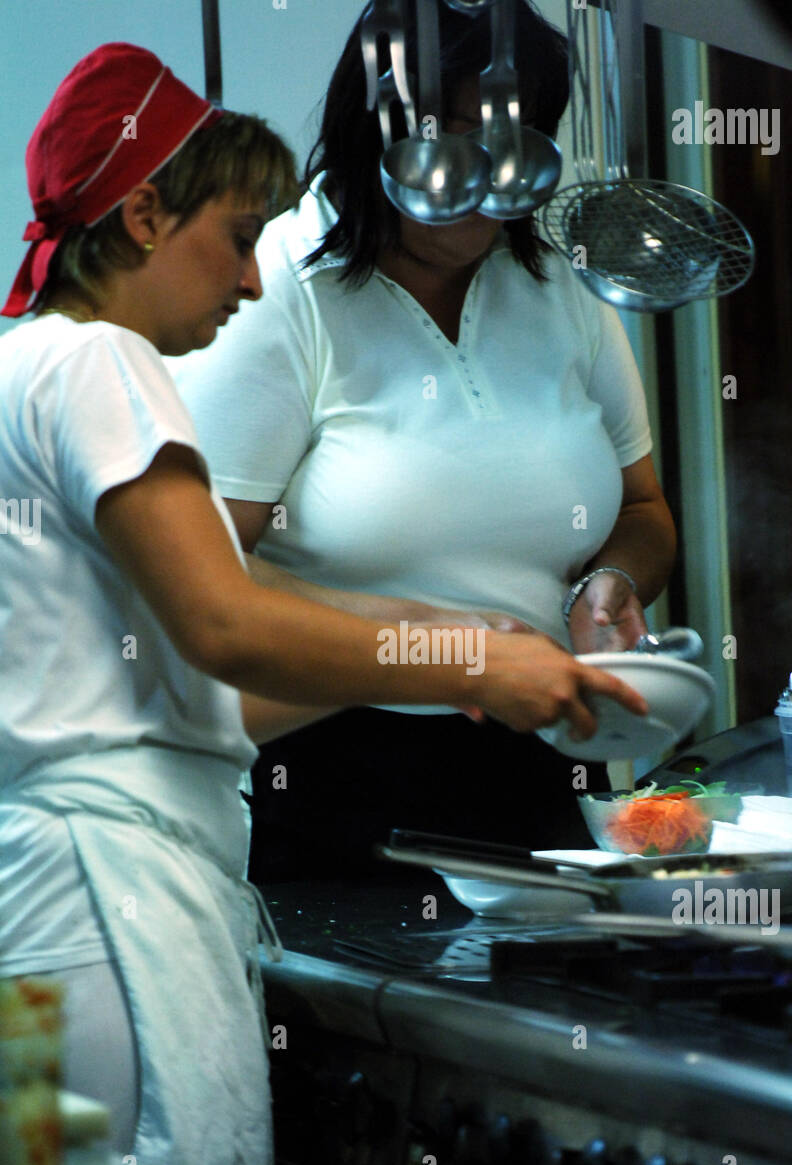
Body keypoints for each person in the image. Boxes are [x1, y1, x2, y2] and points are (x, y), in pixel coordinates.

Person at [0, 43, 647, 1165]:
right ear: (144, 215)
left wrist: (456, 639)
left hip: (42, 906)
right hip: (109, 909)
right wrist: (462, 656)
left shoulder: (25, 364)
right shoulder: (103, 364)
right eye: (238, 239)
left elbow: (207, 635)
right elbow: (227, 627)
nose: (254, 283)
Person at [171, 0, 677, 880]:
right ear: (376, 135)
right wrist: (434, 643)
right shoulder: (281, 290)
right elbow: (202, 571)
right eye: (450, 138)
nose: (480, 182)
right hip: (336, 774)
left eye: (513, 145)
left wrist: (609, 584)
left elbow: (641, 509)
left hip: (541, 755)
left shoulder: (558, 285)